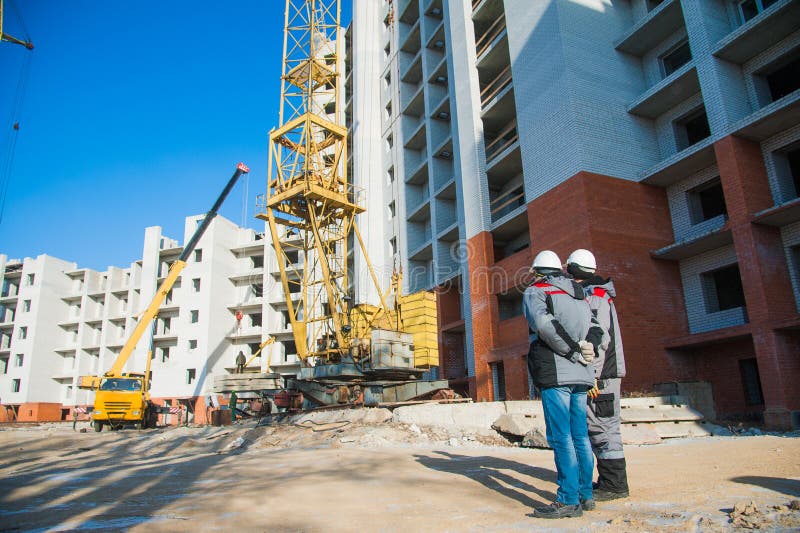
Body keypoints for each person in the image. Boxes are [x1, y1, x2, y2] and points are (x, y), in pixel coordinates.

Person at [524, 250, 603, 519]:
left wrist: (572, 351)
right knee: (580, 436)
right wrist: (588, 348)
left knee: (561, 437)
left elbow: (545, 325)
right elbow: (596, 327)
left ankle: (568, 500)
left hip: (557, 373)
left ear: (538, 271)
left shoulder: (537, 291)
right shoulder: (578, 293)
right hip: (582, 375)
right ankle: (585, 494)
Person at [566, 249, 630, 501]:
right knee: (598, 427)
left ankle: (615, 485)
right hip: (602, 372)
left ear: (574, 269)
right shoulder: (595, 293)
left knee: (604, 428)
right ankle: (609, 481)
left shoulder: (595, 295)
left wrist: (591, 373)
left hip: (602, 374)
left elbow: (599, 339)